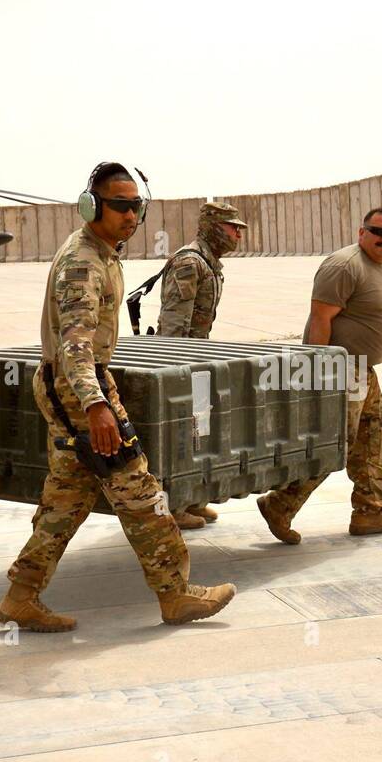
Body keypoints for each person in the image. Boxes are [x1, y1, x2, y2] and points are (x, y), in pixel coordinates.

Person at [0, 162, 236, 631]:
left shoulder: (104, 253)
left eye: (137, 206)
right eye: (121, 205)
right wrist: (96, 405)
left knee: (67, 496)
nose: (131, 215)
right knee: (141, 492)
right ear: (92, 206)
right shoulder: (84, 261)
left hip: (75, 385)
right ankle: (175, 594)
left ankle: (20, 597)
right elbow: (75, 341)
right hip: (79, 388)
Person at [256, 207, 382, 543]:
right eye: (378, 231)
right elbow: (320, 319)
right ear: (361, 233)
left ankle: (372, 512)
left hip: (363, 372)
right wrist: (317, 370)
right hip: (339, 369)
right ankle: (279, 505)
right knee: (333, 442)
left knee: (376, 442)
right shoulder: (344, 266)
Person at [155, 201, 247, 529]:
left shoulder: (210, 263)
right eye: (231, 227)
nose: (238, 233)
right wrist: (174, 375)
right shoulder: (190, 262)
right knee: (181, 436)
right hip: (182, 364)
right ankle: (174, 505)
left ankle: (193, 498)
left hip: (198, 361)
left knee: (200, 434)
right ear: (211, 227)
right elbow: (173, 324)